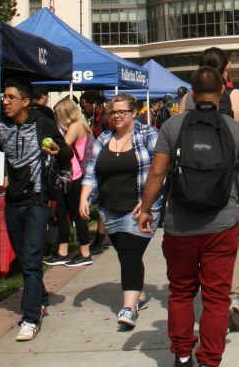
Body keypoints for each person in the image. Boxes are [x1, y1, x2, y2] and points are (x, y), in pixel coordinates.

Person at [136, 66, 239, 367]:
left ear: (191, 93)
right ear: (222, 92)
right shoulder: (236, 130)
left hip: (180, 226)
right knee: (217, 298)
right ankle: (209, 360)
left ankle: (181, 354)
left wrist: (145, 208)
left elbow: (157, 172)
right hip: (222, 225)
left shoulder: (172, 127)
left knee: (180, 292)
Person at [180, 46, 239, 331]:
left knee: (203, 239)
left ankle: (212, 298)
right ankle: (236, 298)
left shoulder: (187, 101)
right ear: (228, 68)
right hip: (233, 182)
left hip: (192, 183)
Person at [0, 79, 73, 343]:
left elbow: (66, 153)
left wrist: (58, 151)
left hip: (37, 200)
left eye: (11, 97)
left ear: (25, 101)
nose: (5, 101)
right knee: (26, 260)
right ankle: (42, 297)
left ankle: (30, 317)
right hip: (12, 202)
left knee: (32, 259)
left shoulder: (41, 123)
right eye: (4, 97)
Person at [78, 93, 161, 328]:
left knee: (130, 254)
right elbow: (91, 170)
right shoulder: (103, 138)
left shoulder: (148, 135)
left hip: (139, 208)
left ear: (134, 113)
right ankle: (139, 293)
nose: (117, 116)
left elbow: (159, 170)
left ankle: (128, 307)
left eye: (122, 112)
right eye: (113, 112)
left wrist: (148, 200)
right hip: (109, 209)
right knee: (125, 254)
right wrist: (84, 197)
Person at [43, 97, 95, 267]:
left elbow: (62, 148)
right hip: (68, 175)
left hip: (75, 175)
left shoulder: (75, 126)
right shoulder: (79, 124)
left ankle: (85, 253)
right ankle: (62, 252)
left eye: (58, 114)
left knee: (77, 215)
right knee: (61, 213)